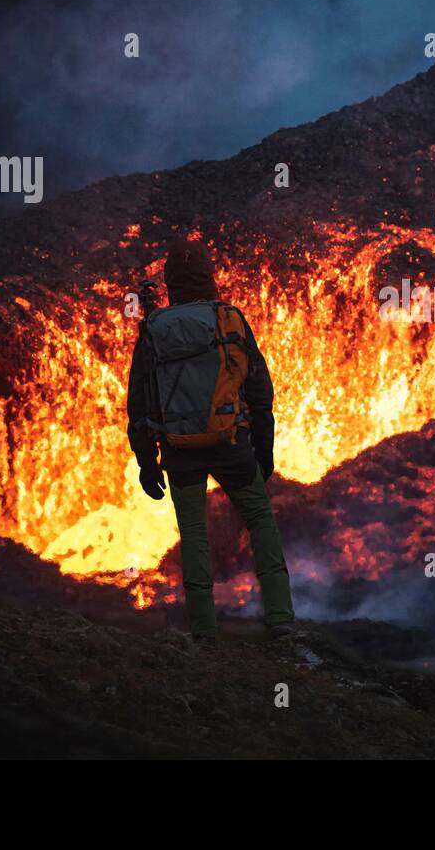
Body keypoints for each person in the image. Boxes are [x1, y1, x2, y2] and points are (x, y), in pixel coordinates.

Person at [126, 239, 296, 639]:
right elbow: (258, 387)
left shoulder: (153, 330)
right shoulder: (229, 318)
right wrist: (263, 446)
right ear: (209, 279)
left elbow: (139, 403)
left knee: (194, 533)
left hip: (178, 448)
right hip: (230, 442)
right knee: (259, 521)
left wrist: (147, 462)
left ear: (172, 284)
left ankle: (204, 630)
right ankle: (281, 619)